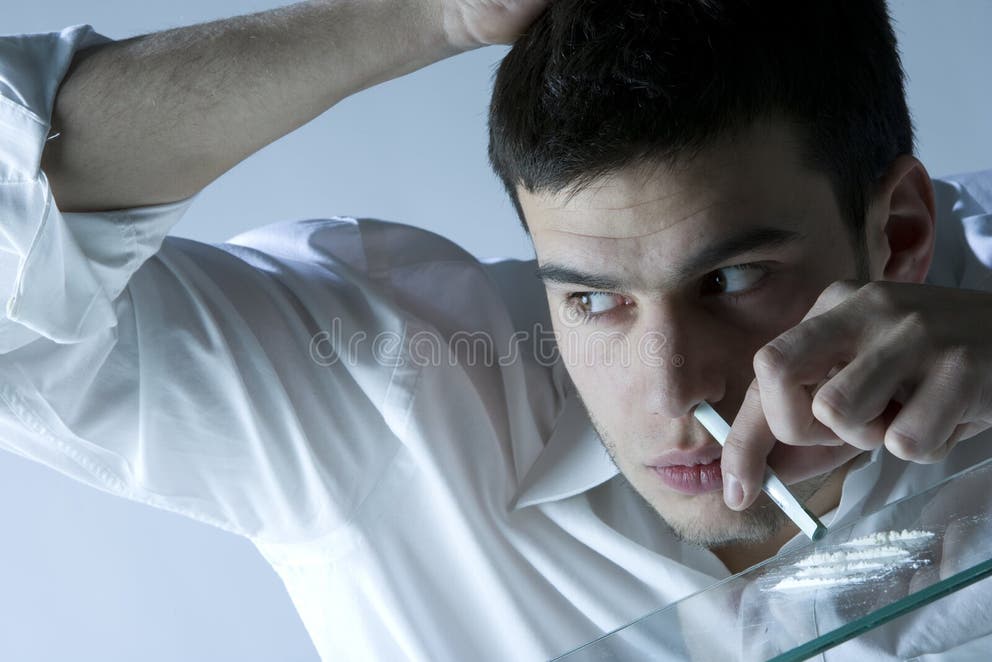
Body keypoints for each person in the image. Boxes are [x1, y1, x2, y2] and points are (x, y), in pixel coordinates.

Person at [1, 0, 990, 659]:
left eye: (730, 278)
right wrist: (431, 15)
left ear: (897, 231)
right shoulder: (389, 397)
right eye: (591, 296)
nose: (664, 387)